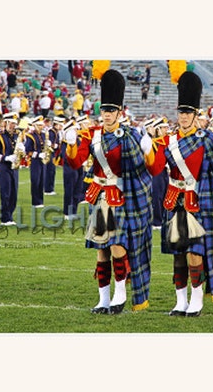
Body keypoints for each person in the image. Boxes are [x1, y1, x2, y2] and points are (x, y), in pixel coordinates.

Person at [64, 69, 153, 313]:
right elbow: (75, 162)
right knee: (101, 249)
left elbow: (140, 168)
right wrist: (72, 145)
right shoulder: (92, 135)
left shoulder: (130, 135)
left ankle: (120, 295)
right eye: (104, 110)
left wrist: (145, 150)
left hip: (121, 198)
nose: (107, 115)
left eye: (111, 111)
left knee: (117, 246)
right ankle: (103, 300)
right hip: (100, 197)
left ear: (120, 113)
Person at [146, 71, 213, 316]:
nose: (184, 117)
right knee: (178, 255)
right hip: (175, 201)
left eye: (188, 113)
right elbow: (156, 168)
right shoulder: (168, 140)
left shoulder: (208, 139)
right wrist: (149, 149)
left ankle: (197, 298)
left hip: (198, 201)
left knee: (195, 254)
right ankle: (180, 301)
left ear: (196, 114)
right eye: (181, 113)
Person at [0, 112, 21, 226]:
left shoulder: (16, 136)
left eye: (15, 123)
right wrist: (5, 158)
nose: (14, 125)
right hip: (4, 167)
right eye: (12, 123)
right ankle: (5, 217)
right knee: (6, 192)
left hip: (14, 167)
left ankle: (10, 216)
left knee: (14, 192)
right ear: (6, 123)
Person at [24, 116, 47, 208]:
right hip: (35, 161)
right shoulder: (30, 136)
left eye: (42, 125)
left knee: (42, 180)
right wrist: (38, 155)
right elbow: (28, 151)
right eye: (40, 125)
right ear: (35, 125)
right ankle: (35, 201)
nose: (42, 127)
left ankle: (40, 201)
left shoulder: (44, 135)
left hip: (42, 160)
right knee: (35, 180)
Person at [44, 117, 60, 196]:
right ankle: (48, 189)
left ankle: (50, 188)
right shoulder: (51, 132)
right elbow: (49, 143)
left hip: (53, 153)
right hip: (50, 153)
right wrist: (54, 145)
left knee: (52, 171)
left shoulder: (55, 132)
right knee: (50, 171)